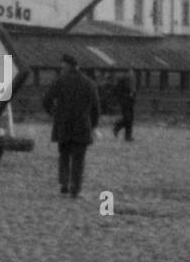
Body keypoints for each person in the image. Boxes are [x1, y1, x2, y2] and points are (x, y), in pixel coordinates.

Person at [43, 53, 100, 198]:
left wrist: (53, 113)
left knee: (64, 155)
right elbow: (96, 108)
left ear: (66, 66)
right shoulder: (89, 83)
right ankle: (75, 188)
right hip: (82, 125)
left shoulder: (59, 81)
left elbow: (46, 99)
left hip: (63, 125)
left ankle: (64, 183)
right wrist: (93, 125)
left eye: (62, 66)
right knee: (78, 159)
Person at [112, 68, 137, 141]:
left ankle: (125, 133)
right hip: (126, 99)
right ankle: (120, 129)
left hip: (126, 99)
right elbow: (132, 88)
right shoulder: (128, 76)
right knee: (128, 117)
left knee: (129, 118)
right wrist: (131, 94)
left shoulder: (126, 76)